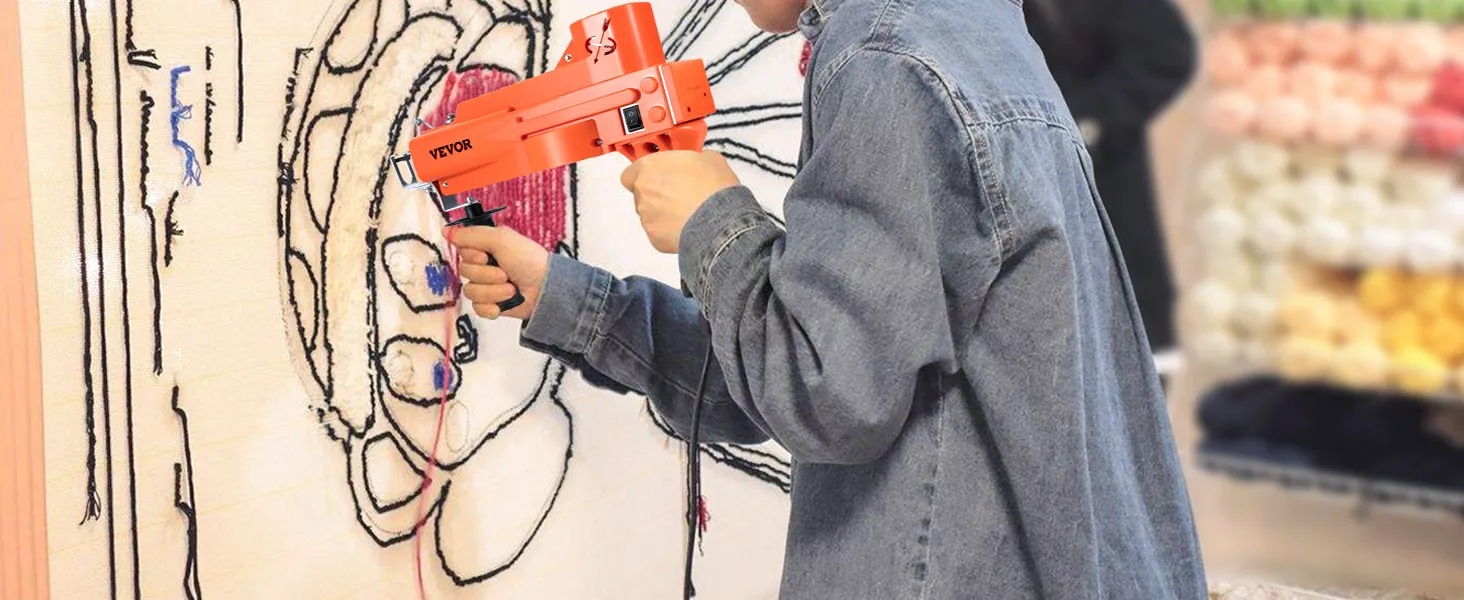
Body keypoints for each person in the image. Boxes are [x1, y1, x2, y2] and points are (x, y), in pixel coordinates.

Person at [450, 0, 1207, 597]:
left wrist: (715, 223)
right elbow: (792, 383)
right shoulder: (965, 36)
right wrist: (565, 298)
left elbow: (821, 396)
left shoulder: (888, 58)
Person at [1024, 0, 1198, 372]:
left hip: (1099, 186)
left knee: (1119, 365)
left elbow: (1166, 54)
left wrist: (1081, 119)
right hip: (995, 200)